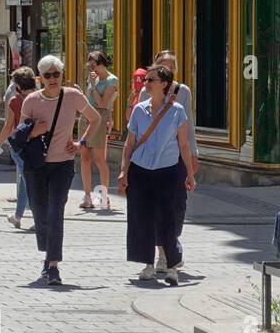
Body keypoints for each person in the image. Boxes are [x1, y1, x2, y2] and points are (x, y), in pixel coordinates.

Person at [19, 55, 102, 285]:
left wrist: (80, 143)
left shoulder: (73, 96)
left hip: (62, 165)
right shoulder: (31, 101)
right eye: (48, 75)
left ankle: (53, 265)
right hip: (36, 166)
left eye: (57, 74)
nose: (53, 79)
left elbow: (95, 120)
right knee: (40, 212)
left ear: (62, 75)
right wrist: (35, 131)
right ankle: (48, 256)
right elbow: (20, 135)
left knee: (56, 212)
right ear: (40, 78)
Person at [117, 64, 197, 285]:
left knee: (167, 218)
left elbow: (184, 145)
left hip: (168, 170)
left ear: (164, 84)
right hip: (140, 170)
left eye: (151, 80)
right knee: (141, 218)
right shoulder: (139, 110)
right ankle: (148, 265)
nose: (147, 83)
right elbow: (129, 142)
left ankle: (171, 267)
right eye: (146, 80)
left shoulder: (177, 111)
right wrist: (124, 171)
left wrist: (190, 174)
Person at [151, 51, 197, 271]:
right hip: (153, 157)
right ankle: (163, 254)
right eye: (163, 67)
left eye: (171, 67)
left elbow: (189, 127)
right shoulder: (147, 90)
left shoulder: (183, 91)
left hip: (178, 155)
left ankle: (172, 240)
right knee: (158, 205)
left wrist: (193, 155)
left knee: (178, 204)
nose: (167, 71)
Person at [0, 66, 38, 230]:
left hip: (20, 146)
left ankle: (38, 218)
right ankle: (17, 217)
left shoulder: (15, 100)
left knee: (28, 181)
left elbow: (8, 125)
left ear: (18, 86)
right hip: (38, 145)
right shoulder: (41, 97)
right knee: (25, 182)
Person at [80, 50, 118, 209]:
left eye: (93, 65)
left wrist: (94, 86)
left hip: (100, 116)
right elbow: (88, 98)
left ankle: (104, 197)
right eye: (89, 66)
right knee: (84, 157)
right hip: (86, 115)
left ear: (102, 64)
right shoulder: (92, 77)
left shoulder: (111, 80)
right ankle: (87, 196)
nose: (91, 68)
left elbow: (102, 103)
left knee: (99, 159)